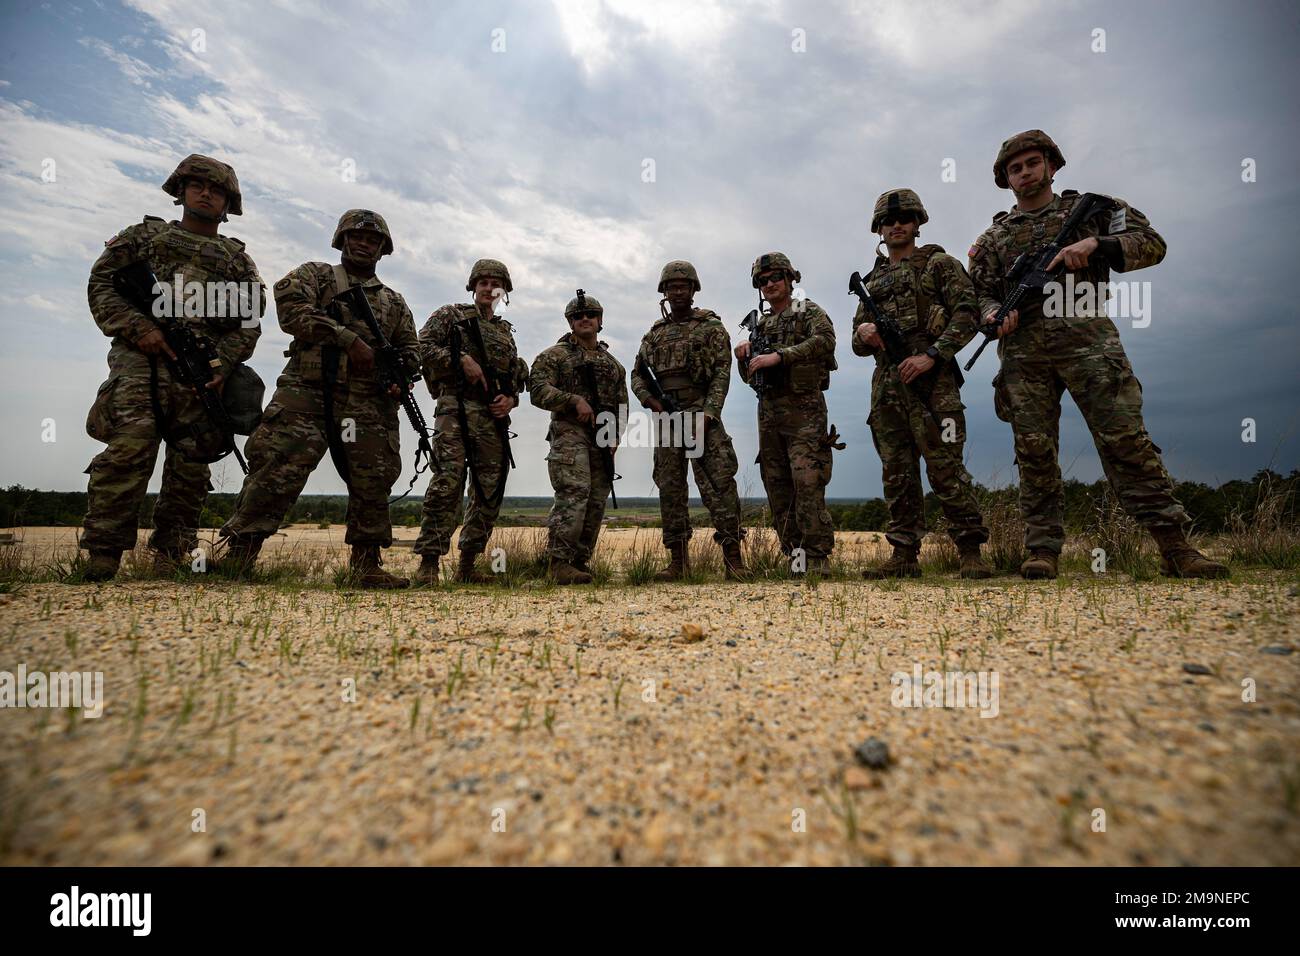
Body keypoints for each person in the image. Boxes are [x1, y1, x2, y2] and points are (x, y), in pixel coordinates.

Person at [968, 130, 1228, 579]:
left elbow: (1152, 244)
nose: (1025, 172)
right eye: (1015, 168)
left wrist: (1097, 245)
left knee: (1125, 440)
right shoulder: (993, 237)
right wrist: (993, 315)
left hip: (1089, 340)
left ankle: (1175, 546)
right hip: (1024, 352)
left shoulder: (1092, 210)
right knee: (1033, 452)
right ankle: (1043, 550)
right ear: (1005, 179)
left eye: (1032, 162)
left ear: (1051, 165)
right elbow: (978, 294)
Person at [81, 154, 264, 581]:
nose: (206, 193)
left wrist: (221, 363)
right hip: (140, 361)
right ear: (180, 190)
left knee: (191, 465)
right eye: (198, 185)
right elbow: (102, 284)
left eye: (216, 190)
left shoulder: (236, 261)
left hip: (199, 372)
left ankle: (172, 555)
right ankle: (103, 555)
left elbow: (249, 323)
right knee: (129, 449)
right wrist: (138, 327)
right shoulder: (143, 237)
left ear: (227, 204)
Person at [218, 209, 418, 588]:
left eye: (372, 240)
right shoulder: (316, 275)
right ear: (342, 240)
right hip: (307, 391)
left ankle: (367, 565)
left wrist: (400, 375)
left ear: (383, 250)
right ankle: (238, 557)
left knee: (373, 479)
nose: (363, 243)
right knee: (277, 467)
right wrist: (346, 338)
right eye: (356, 236)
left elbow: (410, 349)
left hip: (367, 402)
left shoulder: (394, 302)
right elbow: (292, 311)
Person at [853, 189, 992, 579]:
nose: (897, 225)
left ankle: (969, 552)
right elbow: (855, 342)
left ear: (917, 223)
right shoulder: (872, 280)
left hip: (935, 382)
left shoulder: (941, 265)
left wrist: (932, 355)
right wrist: (864, 331)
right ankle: (903, 555)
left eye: (905, 218)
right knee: (896, 472)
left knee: (946, 467)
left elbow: (968, 314)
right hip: (888, 385)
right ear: (878, 229)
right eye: (889, 220)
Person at [411, 259, 527, 585]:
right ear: (473, 285)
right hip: (456, 407)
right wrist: (458, 359)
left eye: (496, 284)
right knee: (447, 481)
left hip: (491, 418)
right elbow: (421, 347)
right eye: (484, 282)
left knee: (489, 490)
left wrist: (511, 400)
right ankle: (429, 563)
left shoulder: (505, 333)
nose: (490, 288)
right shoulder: (450, 316)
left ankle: (467, 565)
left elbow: (512, 379)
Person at [631, 260, 748, 580]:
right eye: (671, 286)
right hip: (668, 420)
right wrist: (651, 402)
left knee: (719, 486)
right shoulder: (654, 334)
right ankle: (678, 562)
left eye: (683, 286)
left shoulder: (710, 327)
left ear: (694, 289)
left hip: (702, 417)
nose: (677, 291)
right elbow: (637, 375)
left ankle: (733, 559)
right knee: (670, 489)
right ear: (664, 292)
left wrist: (709, 414)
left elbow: (722, 374)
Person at [735, 253, 837, 576]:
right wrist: (744, 356)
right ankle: (796, 562)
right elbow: (751, 378)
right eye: (762, 281)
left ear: (790, 279)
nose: (769, 284)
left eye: (775, 277)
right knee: (778, 490)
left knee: (807, 484)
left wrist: (781, 356)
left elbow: (825, 341)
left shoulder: (806, 311)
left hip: (804, 414)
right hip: (769, 417)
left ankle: (817, 560)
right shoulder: (761, 326)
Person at [528, 292, 627, 584]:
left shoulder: (613, 364)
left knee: (597, 498)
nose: (584, 319)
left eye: (590, 315)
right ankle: (559, 562)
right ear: (570, 322)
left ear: (599, 321)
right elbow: (536, 390)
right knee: (574, 493)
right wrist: (572, 400)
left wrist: (615, 436)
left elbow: (621, 403)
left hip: (601, 438)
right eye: (578, 316)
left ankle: (580, 562)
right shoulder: (554, 355)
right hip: (569, 434)